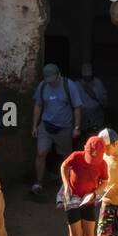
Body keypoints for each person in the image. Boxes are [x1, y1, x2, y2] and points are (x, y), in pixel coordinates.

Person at [31, 63, 83, 195]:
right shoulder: (43, 86)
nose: (51, 83)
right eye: (49, 81)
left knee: (66, 157)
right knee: (41, 153)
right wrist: (35, 125)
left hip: (64, 127)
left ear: (58, 75)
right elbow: (38, 105)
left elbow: (77, 107)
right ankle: (39, 182)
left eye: (53, 80)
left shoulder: (69, 85)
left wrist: (76, 127)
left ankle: (67, 184)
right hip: (46, 125)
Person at [58, 135, 109, 236]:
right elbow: (64, 166)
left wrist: (96, 192)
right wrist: (66, 184)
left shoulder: (103, 164)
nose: (92, 161)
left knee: (89, 234)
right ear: (85, 149)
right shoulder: (76, 156)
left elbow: (104, 182)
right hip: (73, 197)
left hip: (89, 199)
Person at [76, 63, 108, 135]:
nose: (87, 79)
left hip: (96, 117)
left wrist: (102, 105)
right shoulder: (76, 85)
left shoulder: (98, 83)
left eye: (89, 77)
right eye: (85, 77)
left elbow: (104, 99)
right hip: (83, 118)